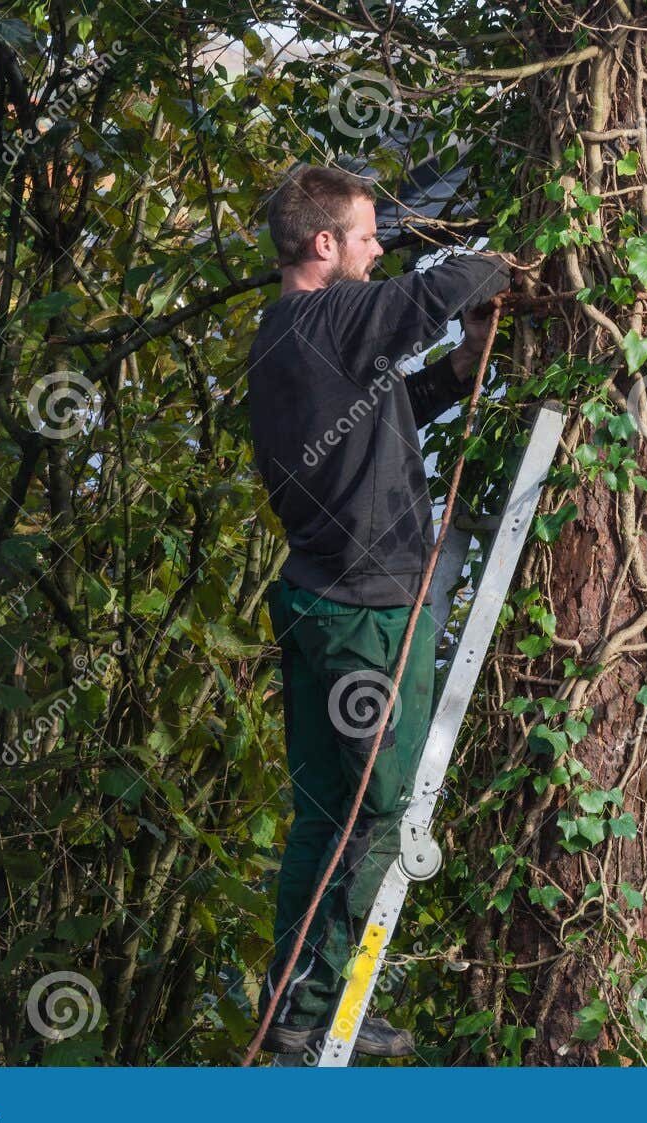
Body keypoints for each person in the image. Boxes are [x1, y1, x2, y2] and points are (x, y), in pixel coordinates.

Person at [241, 163, 512, 1057]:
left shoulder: (284, 333)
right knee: (387, 805)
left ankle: (295, 1005)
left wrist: (461, 370)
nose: (377, 248)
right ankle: (315, 1013)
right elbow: (444, 287)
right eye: (366, 236)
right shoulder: (332, 311)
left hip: (319, 600)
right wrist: (513, 259)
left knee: (326, 812)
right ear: (325, 244)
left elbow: (378, 413)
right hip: (366, 613)